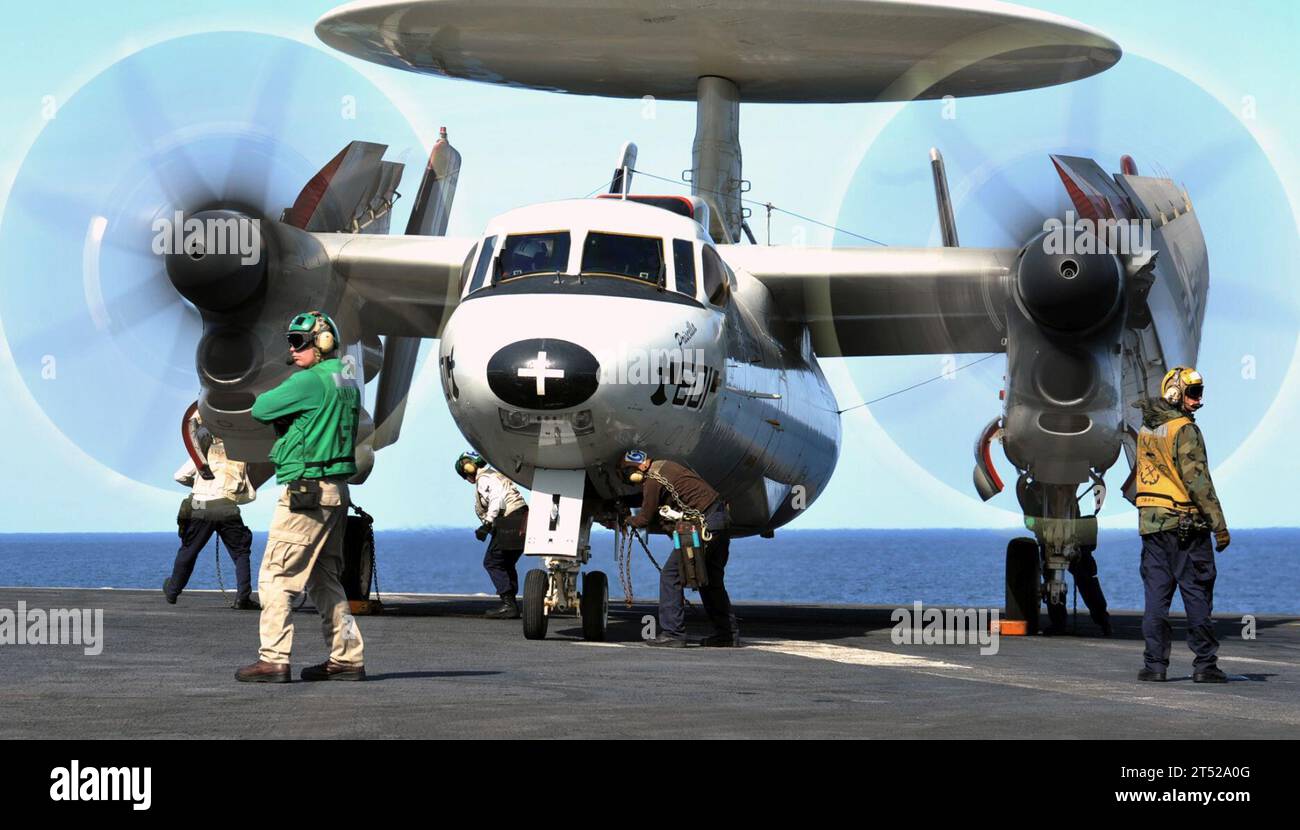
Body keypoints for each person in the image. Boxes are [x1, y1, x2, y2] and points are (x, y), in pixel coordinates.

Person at [235, 310, 365, 683]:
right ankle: (347, 658)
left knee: (277, 575)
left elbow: (260, 409)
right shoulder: (345, 379)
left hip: (306, 493)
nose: (291, 350)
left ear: (322, 344)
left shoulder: (309, 381)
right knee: (325, 578)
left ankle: (273, 658)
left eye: (297, 342)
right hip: (335, 492)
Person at [1132, 366, 1230, 683]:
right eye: (1193, 394)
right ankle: (1205, 666)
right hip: (1186, 527)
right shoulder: (1184, 430)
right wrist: (1219, 524)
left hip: (1152, 527)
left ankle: (1155, 666)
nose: (1199, 401)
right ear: (1175, 393)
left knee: (1156, 600)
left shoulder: (1147, 429)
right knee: (1197, 595)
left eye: (1200, 393)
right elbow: (1197, 481)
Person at [619, 449, 739, 648]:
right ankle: (727, 634)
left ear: (638, 467)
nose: (629, 477)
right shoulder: (667, 465)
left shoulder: (653, 480)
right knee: (711, 580)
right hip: (721, 520)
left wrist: (625, 519)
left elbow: (644, 518)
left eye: (627, 471)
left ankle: (673, 633)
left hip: (704, 525)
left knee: (670, 576)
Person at [164, 412, 258, 609]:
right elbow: (250, 495)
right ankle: (243, 598)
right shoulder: (241, 456)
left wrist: (199, 487)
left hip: (200, 505)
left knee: (189, 550)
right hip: (226, 508)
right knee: (241, 552)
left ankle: (172, 591)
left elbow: (179, 476)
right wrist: (228, 498)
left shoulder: (204, 451)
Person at [456, 451, 529, 619]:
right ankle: (511, 603)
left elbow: (497, 500)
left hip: (512, 518)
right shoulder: (495, 474)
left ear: (468, 468)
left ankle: (509, 605)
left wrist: (488, 523)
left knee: (492, 562)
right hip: (523, 517)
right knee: (507, 561)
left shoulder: (484, 479)